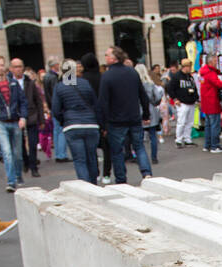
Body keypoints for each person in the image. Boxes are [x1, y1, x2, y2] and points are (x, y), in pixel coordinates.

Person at [97, 45, 152, 183]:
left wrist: (102, 124)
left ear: (113, 58)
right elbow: (142, 95)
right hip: (133, 117)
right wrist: (146, 114)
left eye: (106, 55)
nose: (105, 57)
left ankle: (121, 179)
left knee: (117, 151)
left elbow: (103, 102)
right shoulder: (132, 73)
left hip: (116, 120)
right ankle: (146, 173)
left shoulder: (107, 76)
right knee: (139, 147)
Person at [52, 58, 101, 183]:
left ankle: (85, 185)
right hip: (90, 123)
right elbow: (95, 104)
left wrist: (65, 120)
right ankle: (94, 182)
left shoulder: (59, 86)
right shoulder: (85, 83)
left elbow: (56, 110)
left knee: (80, 159)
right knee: (91, 156)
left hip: (72, 125)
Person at [0, 54, 27, 191]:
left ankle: (18, 175)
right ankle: (11, 181)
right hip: (1, 121)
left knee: (18, 153)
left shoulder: (13, 83)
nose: (0, 68)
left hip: (15, 120)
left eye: (2, 65)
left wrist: (23, 117)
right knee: (7, 152)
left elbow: (23, 101)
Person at [11, 58, 45, 179]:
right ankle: (25, 162)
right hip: (16, 117)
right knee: (19, 143)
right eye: (15, 67)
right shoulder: (9, 83)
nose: (18, 69)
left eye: (20, 66)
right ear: (11, 69)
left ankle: (33, 166)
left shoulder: (30, 83)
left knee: (32, 142)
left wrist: (41, 119)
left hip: (31, 116)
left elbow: (38, 101)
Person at [198, 57, 222, 154]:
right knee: (215, 125)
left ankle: (207, 145)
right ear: (210, 62)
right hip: (212, 101)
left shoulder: (202, 72)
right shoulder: (210, 73)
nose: (216, 63)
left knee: (208, 125)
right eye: (215, 61)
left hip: (206, 101)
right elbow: (219, 84)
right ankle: (214, 146)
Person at [136, 62, 162, 165]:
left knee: (139, 137)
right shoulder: (150, 84)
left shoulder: (135, 85)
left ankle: (140, 157)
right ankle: (154, 157)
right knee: (153, 136)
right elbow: (158, 97)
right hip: (151, 109)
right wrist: (155, 103)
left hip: (139, 110)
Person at [168, 58, 199, 147]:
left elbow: (194, 88)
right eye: (189, 66)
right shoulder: (177, 76)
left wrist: (196, 99)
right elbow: (170, 88)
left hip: (191, 102)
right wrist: (175, 99)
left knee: (189, 121)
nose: (190, 68)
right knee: (181, 121)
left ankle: (187, 138)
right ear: (185, 67)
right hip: (182, 103)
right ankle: (179, 139)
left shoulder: (190, 77)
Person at [42, 56, 68, 161]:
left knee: (56, 130)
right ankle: (61, 154)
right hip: (57, 106)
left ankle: (58, 153)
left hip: (52, 106)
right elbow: (56, 93)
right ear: (55, 65)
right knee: (61, 130)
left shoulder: (46, 77)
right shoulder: (53, 78)